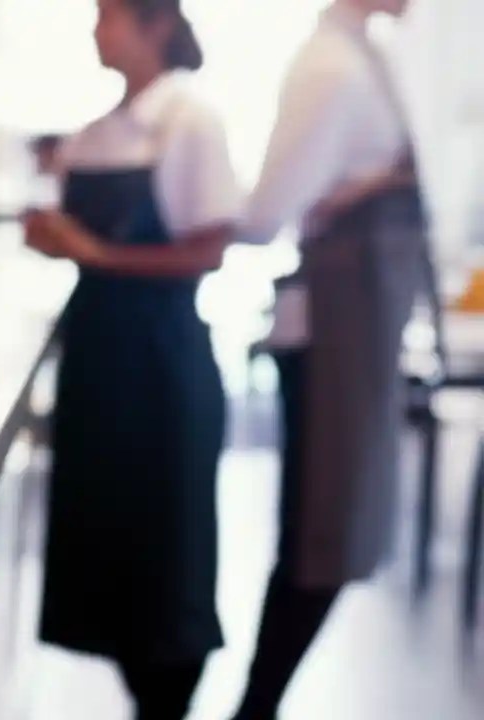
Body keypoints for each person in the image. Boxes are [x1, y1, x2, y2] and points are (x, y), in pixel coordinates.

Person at [25, 1, 242, 717]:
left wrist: (96, 252)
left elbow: (207, 250)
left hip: (160, 361)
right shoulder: (96, 133)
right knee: (107, 549)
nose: (95, 30)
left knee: (165, 558)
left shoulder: (189, 121)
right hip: (97, 356)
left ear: (154, 27)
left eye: (108, 17)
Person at [233, 1, 426, 717]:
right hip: (331, 327)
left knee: (331, 523)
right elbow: (263, 214)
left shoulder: (364, 57)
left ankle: (258, 705)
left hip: (358, 320)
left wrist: (368, 184)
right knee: (322, 527)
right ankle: (256, 707)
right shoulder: (332, 68)